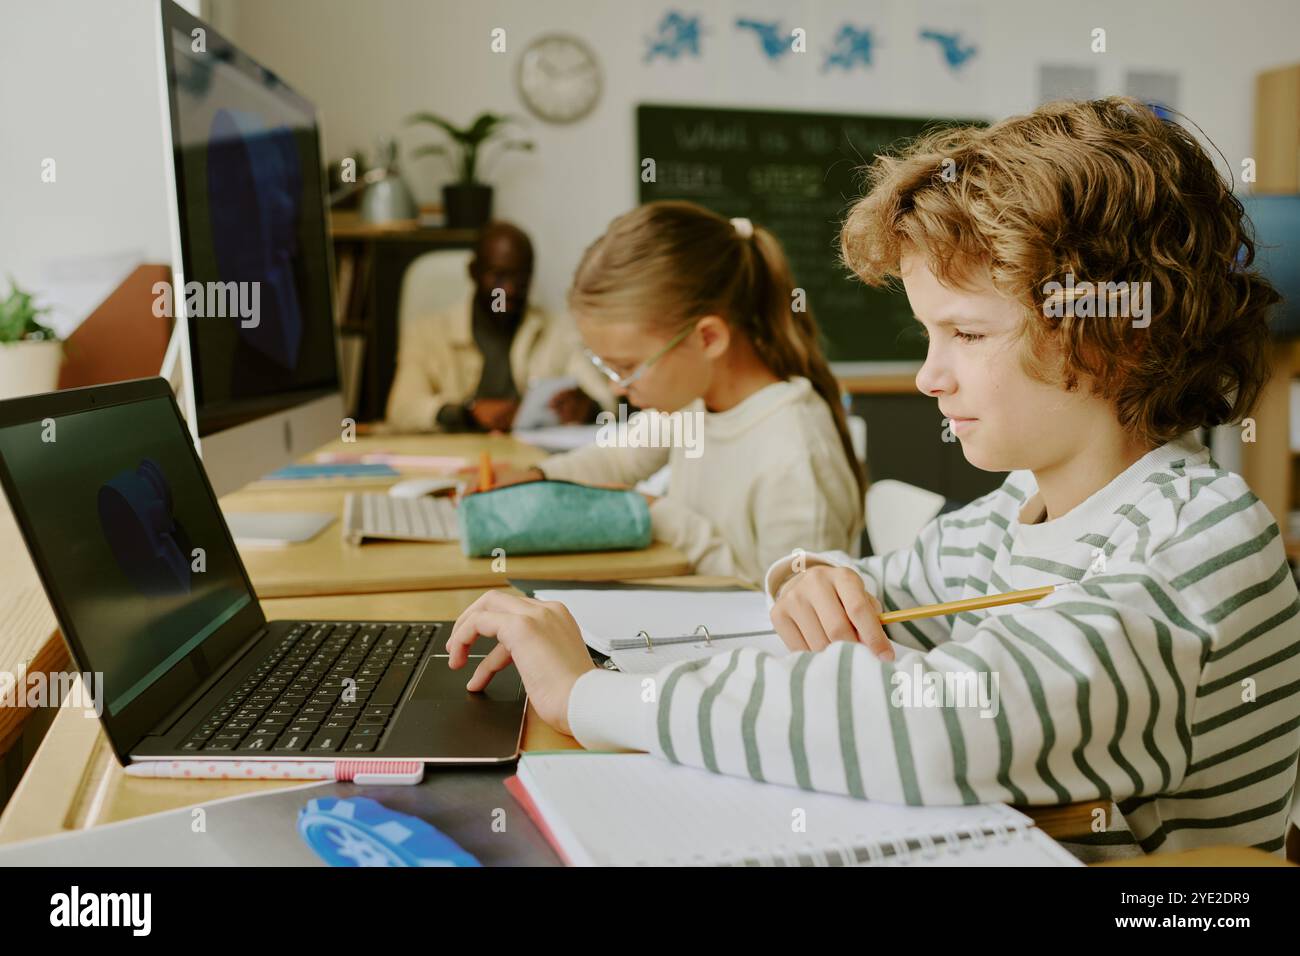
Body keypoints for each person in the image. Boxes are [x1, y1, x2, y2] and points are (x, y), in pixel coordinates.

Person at [443, 99, 1300, 858]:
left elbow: (934, 729)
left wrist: (588, 696)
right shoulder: (1018, 508)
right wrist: (814, 578)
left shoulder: (1195, 548)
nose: (930, 377)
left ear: (1116, 335)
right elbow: (882, 587)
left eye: (964, 335)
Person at [481, 200, 864, 586]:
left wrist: (657, 514)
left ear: (709, 338)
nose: (616, 386)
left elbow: (788, 612)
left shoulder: (796, 456)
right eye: (609, 367)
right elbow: (617, 461)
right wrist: (534, 476)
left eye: (628, 367)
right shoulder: (695, 404)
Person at [385, 221, 607, 432]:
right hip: (455, 454)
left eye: (520, 278)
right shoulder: (427, 332)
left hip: (527, 455)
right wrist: (464, 413)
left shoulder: (559, 330)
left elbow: (606, 399)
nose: (508, 290)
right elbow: (401, 409)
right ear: (473, 272)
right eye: (498, 277)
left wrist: (587, 408)